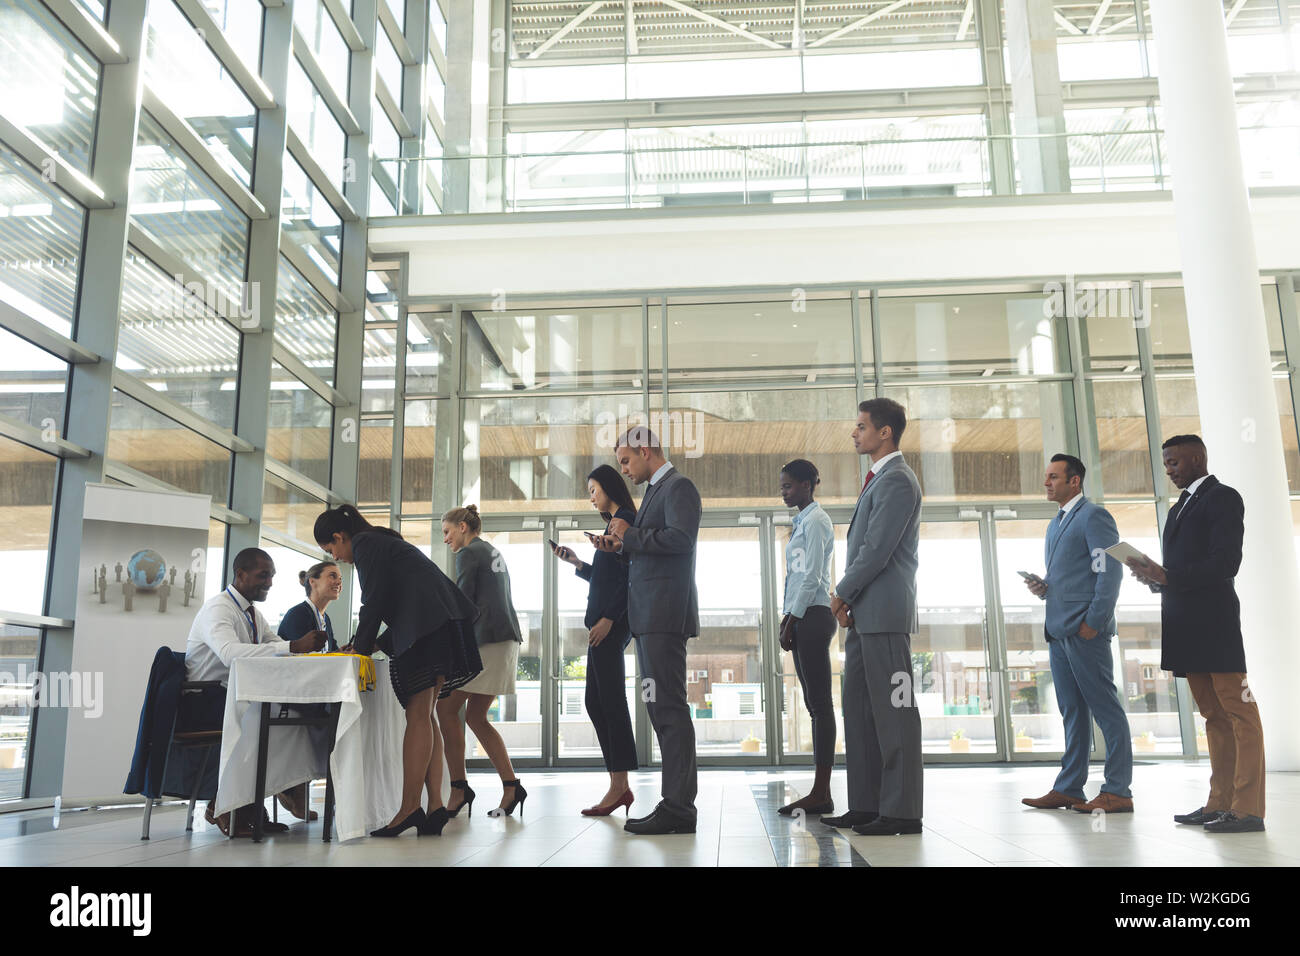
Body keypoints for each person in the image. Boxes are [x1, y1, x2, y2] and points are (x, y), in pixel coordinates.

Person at [315, 505, 482, 838]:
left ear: (339, 537)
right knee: (427, 715)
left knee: (418, 716)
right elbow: (403, 595)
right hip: (438, 624)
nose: (339, 559)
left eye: (332, 550)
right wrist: (370, 645)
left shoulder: (365, 545)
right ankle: (433, 806)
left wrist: (359, 650)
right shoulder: (380, 540)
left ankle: (409, 809)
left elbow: (373, 602)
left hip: (427, 627)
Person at [1127, 435, 1265, 833]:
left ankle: (1248, 808)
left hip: (1214, 624)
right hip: (1185, 623)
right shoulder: (1180, 507)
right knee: (1213, 716)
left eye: (1174, 463)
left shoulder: (1222, 497)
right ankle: (1219, 803)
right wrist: (1156, 578)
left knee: (1239, 712)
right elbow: (1180, 569)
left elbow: (1226, 562)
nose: (1169, 470)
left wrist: (1169, 575)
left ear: (1197, 457)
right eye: (1166, 463)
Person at [594, 426, 700, 836]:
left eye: (625, 461)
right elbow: (652, 549)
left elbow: (681, 539)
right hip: (649, 617)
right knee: (662, 711)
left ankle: (678, 807)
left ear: (645, 451)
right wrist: (621, 548)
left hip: (663, 616)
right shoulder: (658, 491)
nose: (624, 470)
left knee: (669, 711)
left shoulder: (678, 486)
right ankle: (674, 803)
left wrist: (629, 535)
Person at [825, 398, 923, 836]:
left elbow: (877, 550)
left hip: (884, 616)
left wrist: (841, 593)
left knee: (894, 715)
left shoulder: (898, 480)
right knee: (860, 714)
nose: (854, 432)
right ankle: (866, 805)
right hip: (865, 615)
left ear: (885, 432)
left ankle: (902, 812)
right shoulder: (877, 481)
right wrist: (850, 602)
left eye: (861, 425)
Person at [184, 548, 328, 837]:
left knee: (291, 719)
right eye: (264, 575)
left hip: (235, 697)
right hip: (204, 701)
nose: (270, 582)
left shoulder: (252, 613)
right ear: (240, 574)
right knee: (271, 719)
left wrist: (305, 654)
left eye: (272, 576)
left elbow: (276, 645)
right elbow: (229, 654)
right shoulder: (218, 609)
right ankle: (227, 805)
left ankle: (250, 801)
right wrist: (292, 647)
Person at [1021, 454, 1131, 814]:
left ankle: (1118, 790)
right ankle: (1070, 787)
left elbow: (1110, 572)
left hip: (1085, 631)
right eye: (1046, 476)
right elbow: (1071, 576)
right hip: (1058, 629)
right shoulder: (1056, 523)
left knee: (1106, 710)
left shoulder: (1094, 517)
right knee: (1072, 711)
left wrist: (1094, 622)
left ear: (1075, 481)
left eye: (1054, 477)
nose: (1047, 482)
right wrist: (1045, 587)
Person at [552, 465, 639, 816]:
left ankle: (620, 786)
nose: (590, 495)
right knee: (595, 701)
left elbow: (631, 578)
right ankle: (618, 783)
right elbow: (606, 579)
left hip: (610, 624)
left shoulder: (624, 520)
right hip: (604, 623)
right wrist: (577, 563)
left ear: (610, 487)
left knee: (610, 701)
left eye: (593, 488)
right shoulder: (611, 524)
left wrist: (609, 618)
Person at [438, 505, 528, 818]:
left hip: (488, 640)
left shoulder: (468, 554)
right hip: (503, 639)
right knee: (475, 717)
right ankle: (511, 785)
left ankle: (459, 786)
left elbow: (460, 604)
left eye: (448, 532)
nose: (446, 539)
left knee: (445, 708)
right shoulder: (490, 550)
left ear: (463, 527)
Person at [776, 459, 837, 817]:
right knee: (815, 706)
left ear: (806, 485)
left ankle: (821, 791)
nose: (783, 492)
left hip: (812, 616)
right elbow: (796, 577)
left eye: (788, 486)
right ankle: (820, 790)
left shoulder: (816, 521)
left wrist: (791, 619)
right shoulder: (802, 522)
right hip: (801, 616)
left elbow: (813, 575)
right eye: (782, 486)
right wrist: (788, 617)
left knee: (820, 705)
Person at [279, 561, 342, 654]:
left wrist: (341, 652)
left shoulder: (325, 618)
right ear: (312, 582)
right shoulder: (298, 614)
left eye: (340, 579)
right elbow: (304, 657)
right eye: (332, 576)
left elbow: (330, 652)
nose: (339, 582)